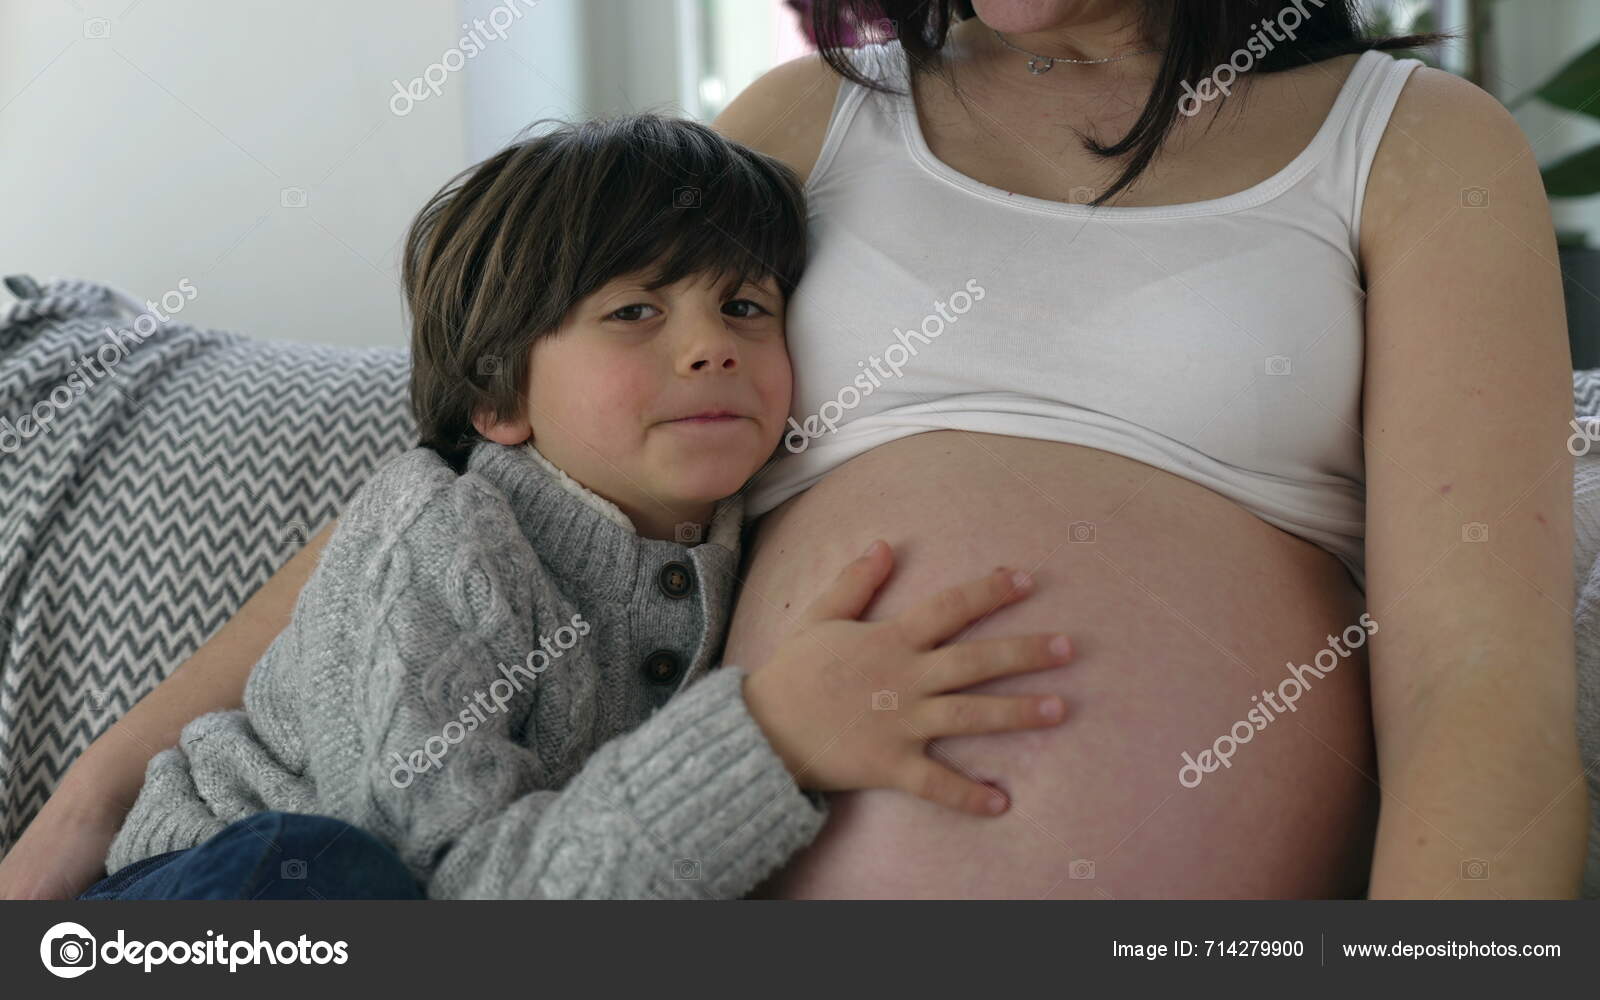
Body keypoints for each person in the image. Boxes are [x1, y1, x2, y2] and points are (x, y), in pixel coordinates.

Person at [4, 0, 1587, 900]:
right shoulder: (806, 120)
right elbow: (441, 508)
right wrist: (85, 808)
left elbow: (1476, 681)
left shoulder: (1415, 144)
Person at [69, 113, 1075, 900]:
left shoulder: (746, 530)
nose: (709, 344)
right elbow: (450, 895)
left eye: (744, 305)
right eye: (635, 311)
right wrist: (765, 739)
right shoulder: (441, 544)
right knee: (322, 872)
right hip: (217, 900)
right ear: (499, 400)